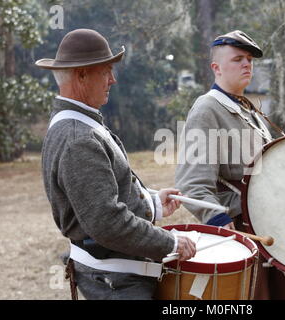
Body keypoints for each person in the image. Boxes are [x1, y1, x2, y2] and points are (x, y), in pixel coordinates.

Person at [37, 28, 196, 300]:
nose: (113, 80)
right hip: (115, 280)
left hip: (115, 275)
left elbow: (100, 200)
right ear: (82, 74)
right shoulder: (78, 138)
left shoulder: (78, 125)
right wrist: (169, 242)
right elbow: (106, 222)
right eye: (106, 71)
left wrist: (152, 203)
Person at [175, 30, 285, 299]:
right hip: (241, 229)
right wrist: (217, 220)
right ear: (216, 68)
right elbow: (191, 184)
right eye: (238, 59)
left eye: (249, 59)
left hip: (269, 225)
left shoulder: (247, 108)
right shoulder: (207, 108)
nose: (246, 64)